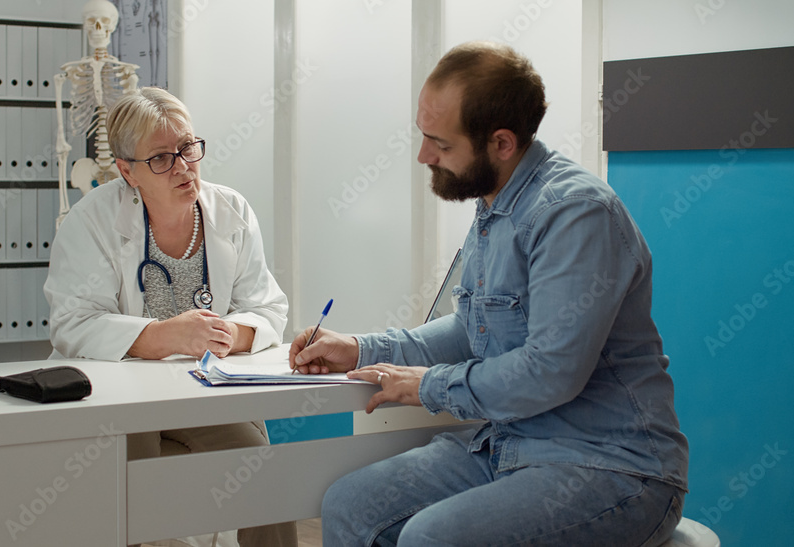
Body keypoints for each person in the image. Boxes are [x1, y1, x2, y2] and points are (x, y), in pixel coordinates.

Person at [290, 41, 689, 546]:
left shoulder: (575, 213)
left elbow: (550, 372)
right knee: (349, 505)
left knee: (432, 539)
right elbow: (471, 328)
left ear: (502, 143)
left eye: (441, 143)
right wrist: (365, 348)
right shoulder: (495, 206)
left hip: (613, 466)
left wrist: (429, 385)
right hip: (511, 446)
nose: (423, 155)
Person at [44, 87, 297, 546]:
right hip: (120, 397)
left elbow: (267, 306)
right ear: (127, 172)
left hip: (201, 391)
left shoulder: (231, 211)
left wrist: (227, 335)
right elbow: (72, 323)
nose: (182, 165)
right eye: (161, 158)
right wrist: (167, 336)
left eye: (187, 148)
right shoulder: (93, 221)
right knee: (135, 494)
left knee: (264, 475)